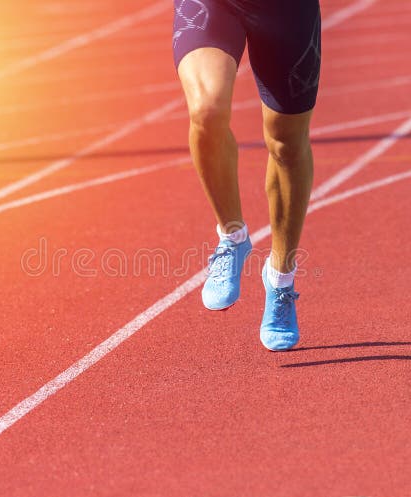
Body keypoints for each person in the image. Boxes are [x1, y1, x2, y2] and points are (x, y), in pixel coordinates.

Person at [173, 0, 320, 351]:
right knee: (206, 111)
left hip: (286, 11)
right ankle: (232, 238)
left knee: (286, 143)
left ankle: (280, 280)